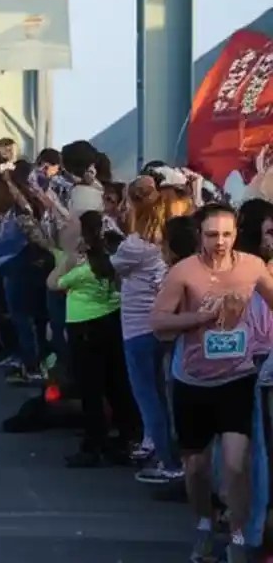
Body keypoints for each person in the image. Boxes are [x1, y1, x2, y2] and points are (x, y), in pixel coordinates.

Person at [151, 203, 273, 563]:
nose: (220, 242)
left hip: (237, 378)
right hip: (192, 382)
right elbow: (158, 323)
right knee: (197, 468)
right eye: (211, 235)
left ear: (236, 233)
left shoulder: (252, 266)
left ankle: (236, 537)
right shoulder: (183, 272)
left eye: (226, 234)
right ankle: (204, 524)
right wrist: (199, 317)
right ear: (199, 236)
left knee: (237, 466)